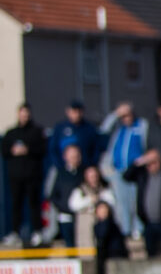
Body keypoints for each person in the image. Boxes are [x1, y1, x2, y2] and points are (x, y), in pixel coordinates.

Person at [100, 100, 147, 239]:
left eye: (128, 115)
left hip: (135, 171)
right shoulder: (119, 129)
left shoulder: (141, 126)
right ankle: (125, 230)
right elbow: (104, 129)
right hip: (119, 172)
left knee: (135, 202)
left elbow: (146, 144)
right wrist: (115, 114)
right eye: (123, 116)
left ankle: (138, 229)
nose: (126, 118)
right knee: (122, 203)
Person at [123, 148, 161, 256]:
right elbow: (126, 176)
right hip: (148, 224)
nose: (151, 166)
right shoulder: (143, 176)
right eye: (148, 163)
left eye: (154, 162)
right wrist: (141, 161)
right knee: (151, 253)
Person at [2, 103, 47, 245]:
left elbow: (42, 149)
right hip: (16, 176)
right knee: (16, 204)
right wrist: (13, 150)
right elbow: (4, 151)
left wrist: (28, 149)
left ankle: (37, 232)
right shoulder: (11, 133)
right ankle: (15, 232)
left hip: (32, 176)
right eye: (22, 113)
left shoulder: (37, 132)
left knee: (34, 204)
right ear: (18, 114)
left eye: (26, 114)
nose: (24, 116)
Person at [43, 144, 86, 247]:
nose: (74, 159)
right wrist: (64, 207)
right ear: (65, 157)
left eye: (76, 156)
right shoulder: (58, 172)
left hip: (82, 215)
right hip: (64, 215)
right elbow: (52, 195)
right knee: (68, 244)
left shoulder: (84, 172)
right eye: (71, 156)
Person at [46, 99, 100, 177]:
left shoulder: (89, 128)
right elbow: (53, 149)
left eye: (79, 112)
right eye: (74, 111)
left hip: (84, 169)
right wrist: (60, 166)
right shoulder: (60, 128)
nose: (77, 115)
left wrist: (91, 165)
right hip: (65, 170)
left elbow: (96, 149)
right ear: (68, 112)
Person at [68, 165, 114, 252]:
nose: (93, 178)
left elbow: (112, 202)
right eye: (91, 176)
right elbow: (73, 205)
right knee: (86, 246)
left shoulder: (104, 189)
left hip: (101, 222)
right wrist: (89, 200)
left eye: (95, 176)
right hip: (85, 222)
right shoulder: (80, 190)